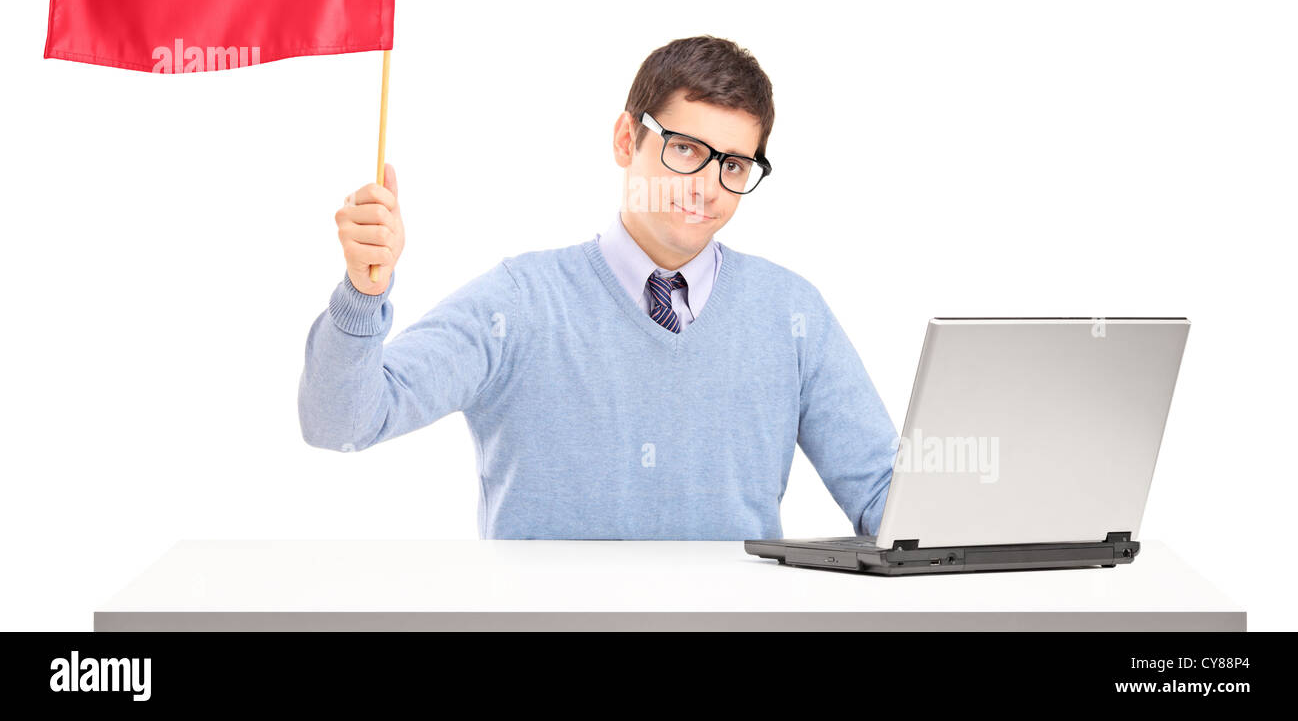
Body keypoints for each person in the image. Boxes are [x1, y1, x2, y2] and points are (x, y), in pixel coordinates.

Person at [298, 35, 898, 539]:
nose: (707, 187)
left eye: (734, 165)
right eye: (686, 149)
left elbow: (883, 496)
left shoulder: (790, 313)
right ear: (624, 139)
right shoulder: (519, 303)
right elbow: (342, 423)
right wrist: (361, 295)